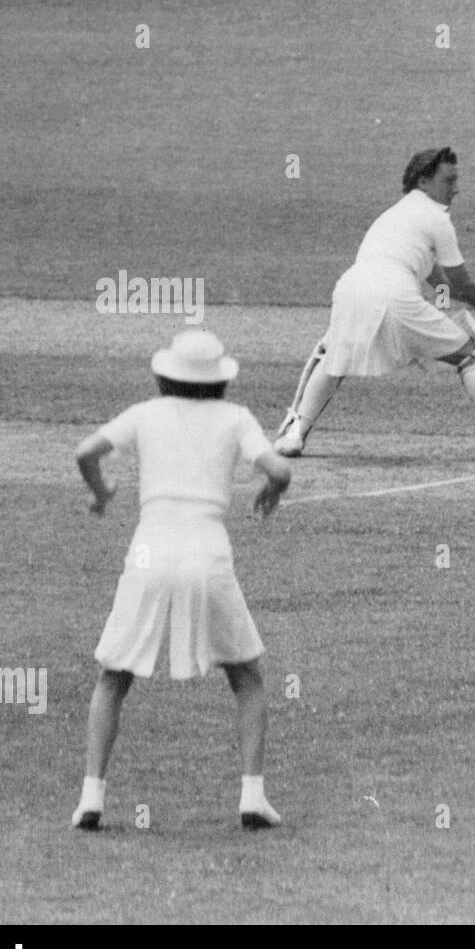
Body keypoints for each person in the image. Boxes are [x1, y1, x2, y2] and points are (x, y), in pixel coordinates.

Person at [71, 331, 292, 831]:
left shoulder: (144, 414)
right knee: (247, 677)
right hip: (207, 554)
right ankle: (252, 795)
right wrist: (270, 492)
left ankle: (91, 797)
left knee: (114, 676)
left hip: (149, 551)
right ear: (221, 381)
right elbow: (280, 468)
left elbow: (85, 451)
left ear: (163, 375)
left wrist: (103, 492)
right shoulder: (235, 418)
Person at [274, 147, 475, 460]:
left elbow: (443, 286)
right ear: (423, 181)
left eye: (456, 180)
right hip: (393, 295)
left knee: (334, 356)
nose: (455, 189)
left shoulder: (395, 215)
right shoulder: (436, 218)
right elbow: (461, 284)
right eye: (448, 181)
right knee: (473, 354)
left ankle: (293, 435)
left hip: (350, 289)